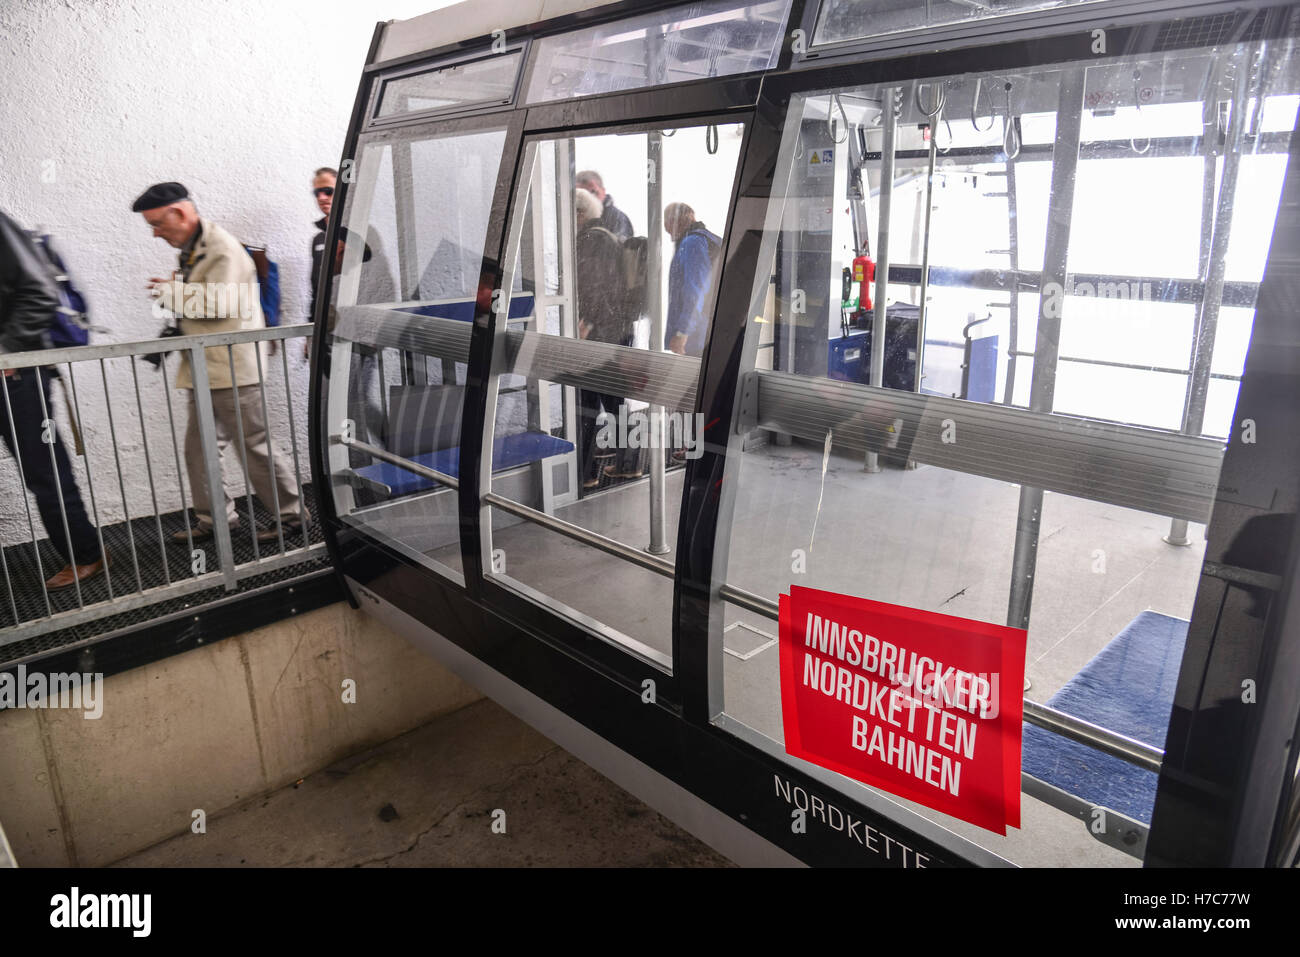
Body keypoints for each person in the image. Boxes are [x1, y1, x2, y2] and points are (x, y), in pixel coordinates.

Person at [133, 182, 306, 544]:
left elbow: (222, 304)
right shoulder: (196, 249)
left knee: (254, 447)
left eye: (157, 224)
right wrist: (172, 292)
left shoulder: (221, 248)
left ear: (179, 213)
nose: (154, 233)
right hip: (207, 368)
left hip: (232, 370)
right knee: (199, 450)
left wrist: (169, 292)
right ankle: (216, 522)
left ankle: (293, 519)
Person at [0, 208, 106, 589]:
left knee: (44, 471)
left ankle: (86, 554)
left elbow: (39, 291)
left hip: (15, 375)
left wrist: (7, 352)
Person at [308, 167, 391, 460]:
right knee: (343, 401)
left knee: (352, 402)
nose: (321, 197)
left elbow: (381, 281)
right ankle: (388, 450)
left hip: (360, 334)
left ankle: (367, 464)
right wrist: (311, 332)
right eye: (317, 192)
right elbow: (317, 290)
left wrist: (374, 330)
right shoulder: (319, 239)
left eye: (328, 190)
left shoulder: (362, 232)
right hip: (330, 334)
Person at [573, 187, 636, 489]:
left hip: (601, 335)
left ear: (579, 213)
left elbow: (594, 288)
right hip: (617, 332)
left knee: (588, 403)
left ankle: (586, 473)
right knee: (613, 401)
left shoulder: (591, 239)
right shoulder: (607, 237)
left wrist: (587, 323)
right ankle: (627, 462)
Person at [663, 202, 722, 357]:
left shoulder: (692, 242)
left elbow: (695, 291)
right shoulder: (709, 239)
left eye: (669, 230)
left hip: (697, 337)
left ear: (673, 222)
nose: (671, 236)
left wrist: (682, 332)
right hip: (711, 331)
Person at [576, 170, 633, 241]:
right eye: (581, 195)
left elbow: (620, 247)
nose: (588, 199)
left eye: (593, 192)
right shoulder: (572, 217)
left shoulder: (616, 218)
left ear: (603, 191)